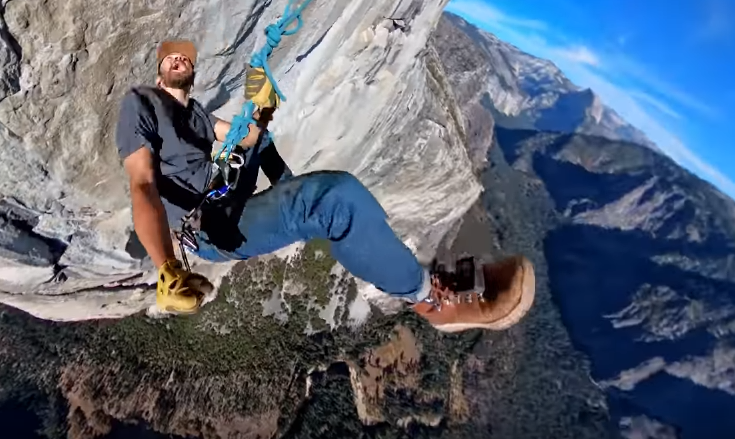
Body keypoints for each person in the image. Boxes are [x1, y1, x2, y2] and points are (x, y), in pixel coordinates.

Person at [115, 39, 535, 332]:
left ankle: (301, 204)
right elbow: (142, 187)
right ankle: (430, 301)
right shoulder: (141, 109)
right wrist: (167, 269)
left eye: (185, 59)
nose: (181, 63)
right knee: (337, 199)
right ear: (159, 72)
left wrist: (259, 116)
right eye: (172, 60)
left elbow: (243, 138)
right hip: (208, 227)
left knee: (264, 145)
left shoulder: (194, 116)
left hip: (219, 195)